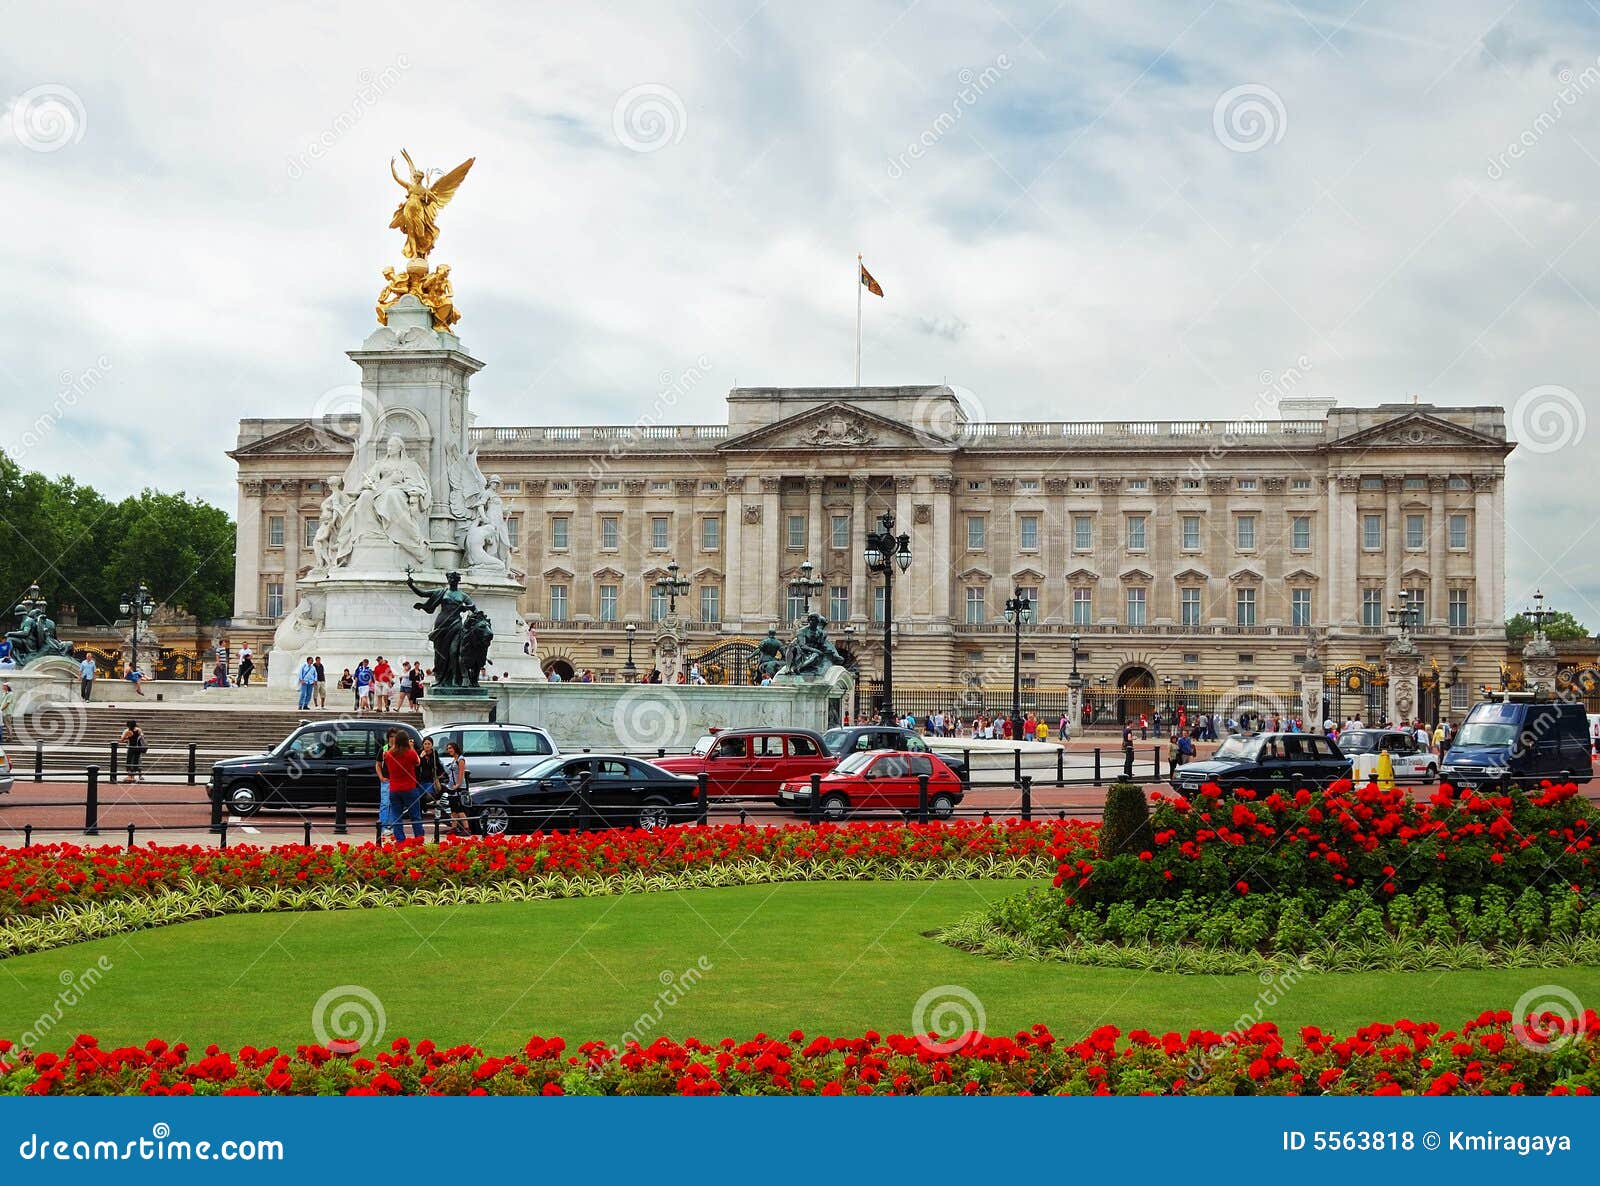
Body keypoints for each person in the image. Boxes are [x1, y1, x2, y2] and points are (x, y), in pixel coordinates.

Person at [383, 732, 424, 842]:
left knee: (396, 817)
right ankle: (419, 839)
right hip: (409, 788)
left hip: (394, 789)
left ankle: (400, 841)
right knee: (415, 816)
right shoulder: (410, 753)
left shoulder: (388, 754)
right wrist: (411, 747)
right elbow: (418, 762)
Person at [441, 740, 473, 837]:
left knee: (460, 809)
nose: (448, 750)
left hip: (458, 787)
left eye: (450, 748)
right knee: (453, 809)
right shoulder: (454, 760)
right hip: (452, 786)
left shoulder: (460, 759)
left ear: (455, 749)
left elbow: (461, 773)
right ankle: (454, 827)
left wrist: (458, 784)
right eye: (448, 748)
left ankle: (466, 828)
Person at [375, 728, 398, 835]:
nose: (393, 739)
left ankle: (392, 826)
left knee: (394, 804)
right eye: (391, 737)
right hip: (386, 780)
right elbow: (378, 764)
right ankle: (383, 827)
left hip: (396, 781)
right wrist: (381, 777)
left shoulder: (399, 749)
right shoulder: (383, 749)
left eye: (395, 737)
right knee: (385, 804)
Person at [416, 735, 442, 824]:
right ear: (423, 745)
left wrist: (440, 775)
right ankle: (419, 814)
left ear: (432, 745)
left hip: (430, 779)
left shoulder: (434, 754)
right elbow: (416, 766)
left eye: (429, 744)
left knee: (428, 795)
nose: (427, 746)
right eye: (425, 744)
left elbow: (437, 765)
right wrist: (421, 757)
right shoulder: (419, 753)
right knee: (419, 797)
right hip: (420, 779)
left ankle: (424, 807)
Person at [119, 719, 147, 784]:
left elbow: (122, 739)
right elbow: (142, 738)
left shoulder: (127, 731)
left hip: (131, 748)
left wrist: (127, 739)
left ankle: (130, 777)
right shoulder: (139, 730)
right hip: (137, 748)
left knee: (129, 761)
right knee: (136, 761)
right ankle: (133, 777)